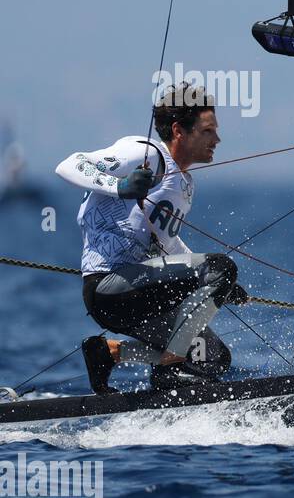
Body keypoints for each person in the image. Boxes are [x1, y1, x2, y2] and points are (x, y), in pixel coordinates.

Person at [56, 82, 247, 394]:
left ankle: (111, 353)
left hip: (144, 296)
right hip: (110, 289)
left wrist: (219, 284)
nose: (218, 139)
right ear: (179, 131)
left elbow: (168, 244)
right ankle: (170, 370)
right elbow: (69, 165)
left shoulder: (184, 185)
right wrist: (119, 186)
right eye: (208, 131)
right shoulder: (145, 153)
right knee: (219, 268)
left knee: (213, 358)